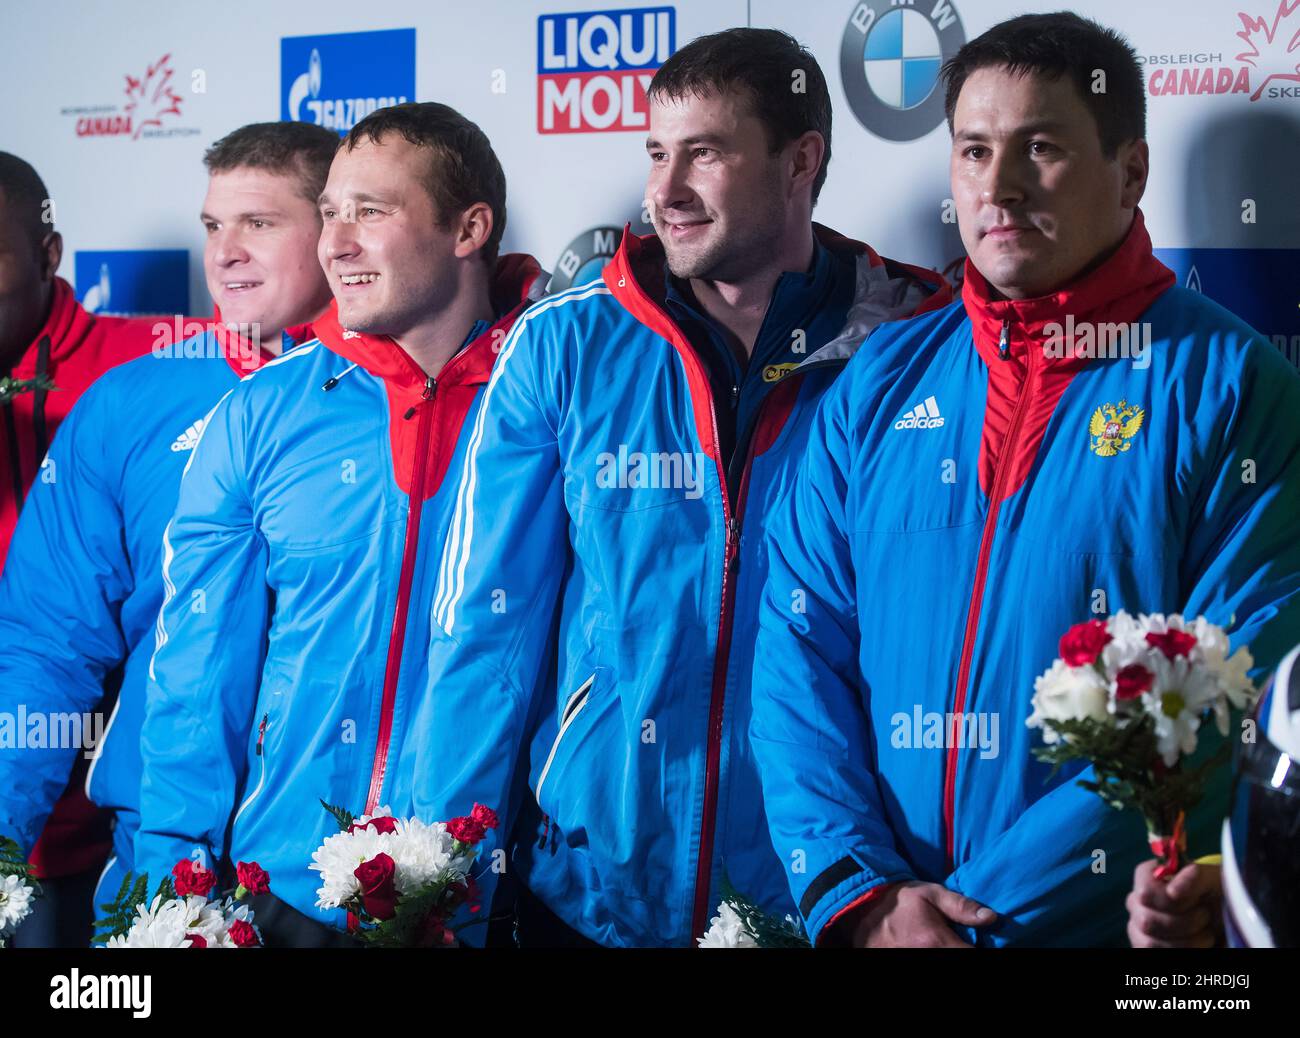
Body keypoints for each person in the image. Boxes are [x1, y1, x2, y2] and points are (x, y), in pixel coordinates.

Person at [749, 12, 1300, 947]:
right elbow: (798, 656)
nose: (997, 187)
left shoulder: (1238, 388)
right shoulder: (876, 384)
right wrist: (864, 897)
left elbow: (1233, 698)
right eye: (972, 150)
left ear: (1129, 172)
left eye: (1039, 148)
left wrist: (984, 921)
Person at [422, 28, 949, 947]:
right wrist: (444, 873)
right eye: (657, 154)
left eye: (703, 154)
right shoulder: (562, 345)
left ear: (802, 160)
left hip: (822, 893)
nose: (663, 192)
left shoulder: (914, 343)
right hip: (590, 890)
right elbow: (483, 628)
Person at [132, 103, 547, 947]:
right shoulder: (258, 415)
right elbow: (197, 674)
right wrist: (171, 889)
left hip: (494, 894)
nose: (337, 244)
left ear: (470, 229)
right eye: (328, 213)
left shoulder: (557, 398)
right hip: (285, 891)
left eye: (371, 212)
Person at [0, 121, 337, 946]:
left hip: (344, 870)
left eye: (259, 223)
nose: (226, 252)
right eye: (213, 226)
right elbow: (46, 644)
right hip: (160, 861)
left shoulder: (407, 402)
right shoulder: (130, 399)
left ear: (339, 228)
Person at [0, 150, 162, 946]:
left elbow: (306, 340)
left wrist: (505, 296)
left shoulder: (150, 366)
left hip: (113, 811)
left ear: (48, 255)